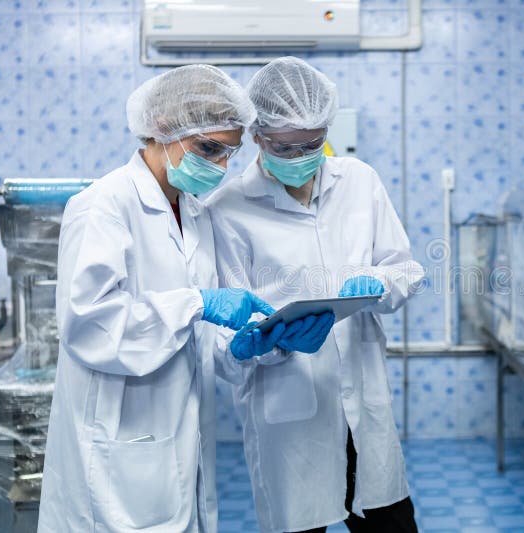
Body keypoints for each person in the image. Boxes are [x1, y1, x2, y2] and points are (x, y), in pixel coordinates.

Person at [38, 64, 299, 532]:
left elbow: (194, 336)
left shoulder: (194, 212)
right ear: (162, 128)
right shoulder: (103, 206)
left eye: (228, 154)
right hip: (115, 446)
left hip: (181, 433)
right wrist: (196, 303)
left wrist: (241, 348)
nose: (220, 167)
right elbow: (90, 325)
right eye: (208, 149)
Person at [207, 57, 424, 533]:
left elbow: (404, 268)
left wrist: (380, 283)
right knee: (300, 523)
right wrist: (262, 344)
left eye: (314, 142)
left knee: (390, 520)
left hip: (361, 396)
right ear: (258, 137)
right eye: (286, 147)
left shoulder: (359, 181)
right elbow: (224, 341)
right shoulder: (226, 210)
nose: (303, 155)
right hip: (290, 409)